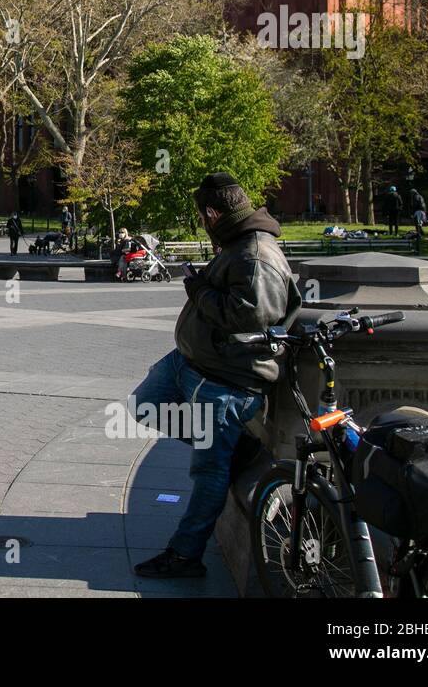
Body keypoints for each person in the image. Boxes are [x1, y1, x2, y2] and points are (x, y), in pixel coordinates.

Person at [130, 173, 302, 579]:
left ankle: (185, 554)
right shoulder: (238, 242)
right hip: (193, 363)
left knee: (208, 472)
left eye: (202, 217)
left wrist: (199, 291)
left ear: (211, 213)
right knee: (145, 404)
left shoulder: (255, 254)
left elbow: (250, 318)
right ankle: (237, 447)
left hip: (225, 380)